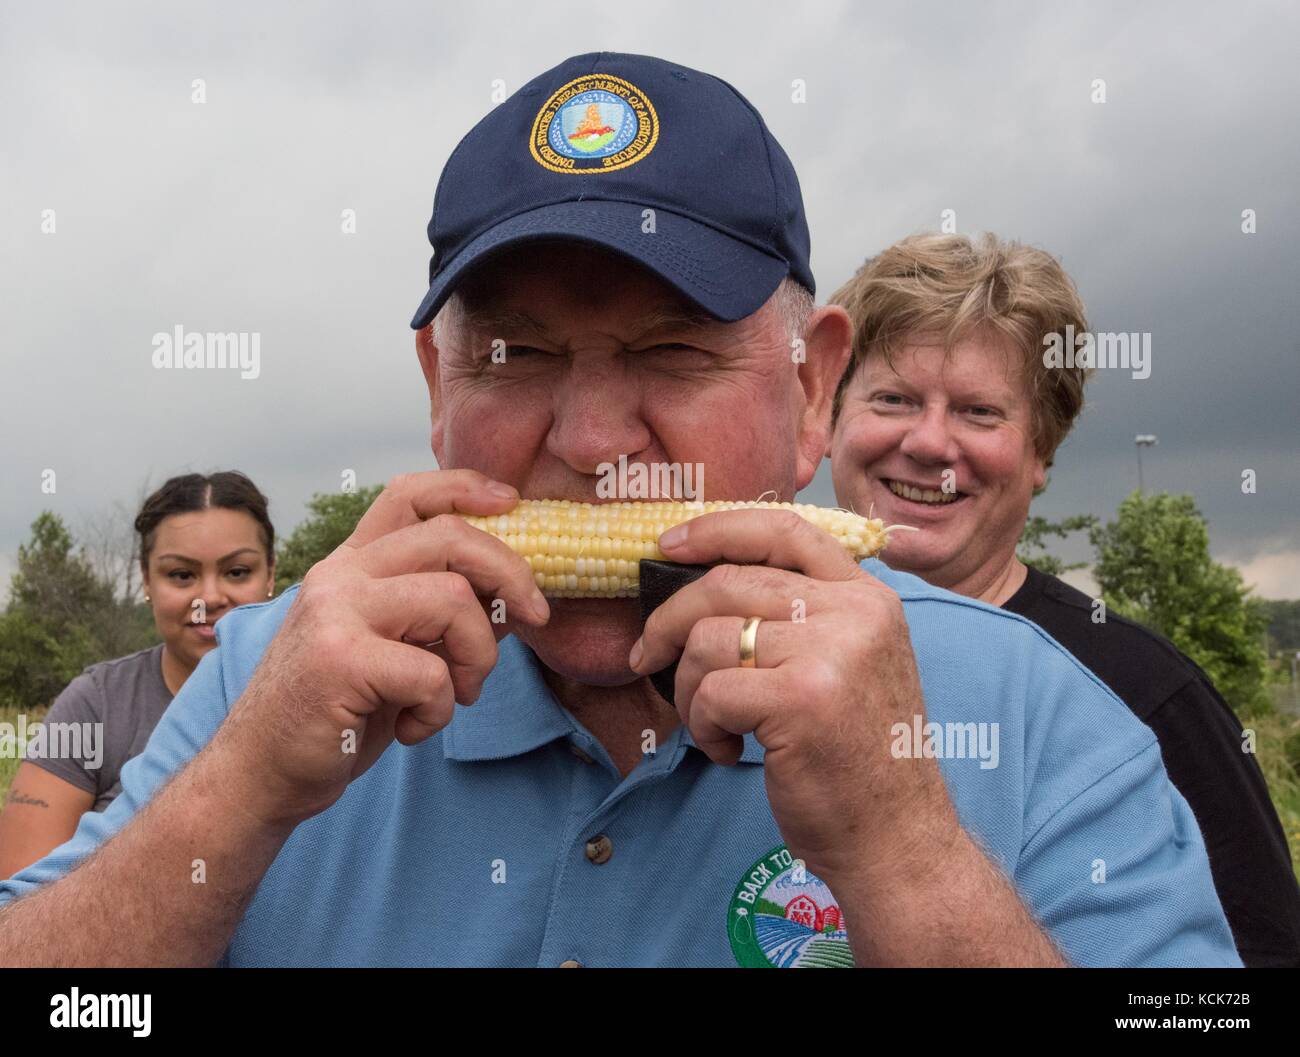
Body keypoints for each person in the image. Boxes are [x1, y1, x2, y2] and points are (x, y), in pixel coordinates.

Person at [0, 52, 1240, 968]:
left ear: (811, 387)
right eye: (516, 355)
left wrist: (907, 859)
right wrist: (236, 797)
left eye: (672, 351)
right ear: (437, 389)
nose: (592, 446)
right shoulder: (268, 680)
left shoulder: (1033, 709)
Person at [826, 231, 1300, 967]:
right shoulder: (742, 645)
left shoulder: (1149, 695)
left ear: (1041, 453)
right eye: (894, 398)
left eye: (979, 412)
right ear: (828, 421)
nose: (927, 442)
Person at [0, 472, 277, 879]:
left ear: (270, 574)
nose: (210, 598)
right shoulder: (95, 705)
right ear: (147, 579)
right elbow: (17, 902)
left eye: (237, 572)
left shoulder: (328, 695)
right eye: (181, 575)